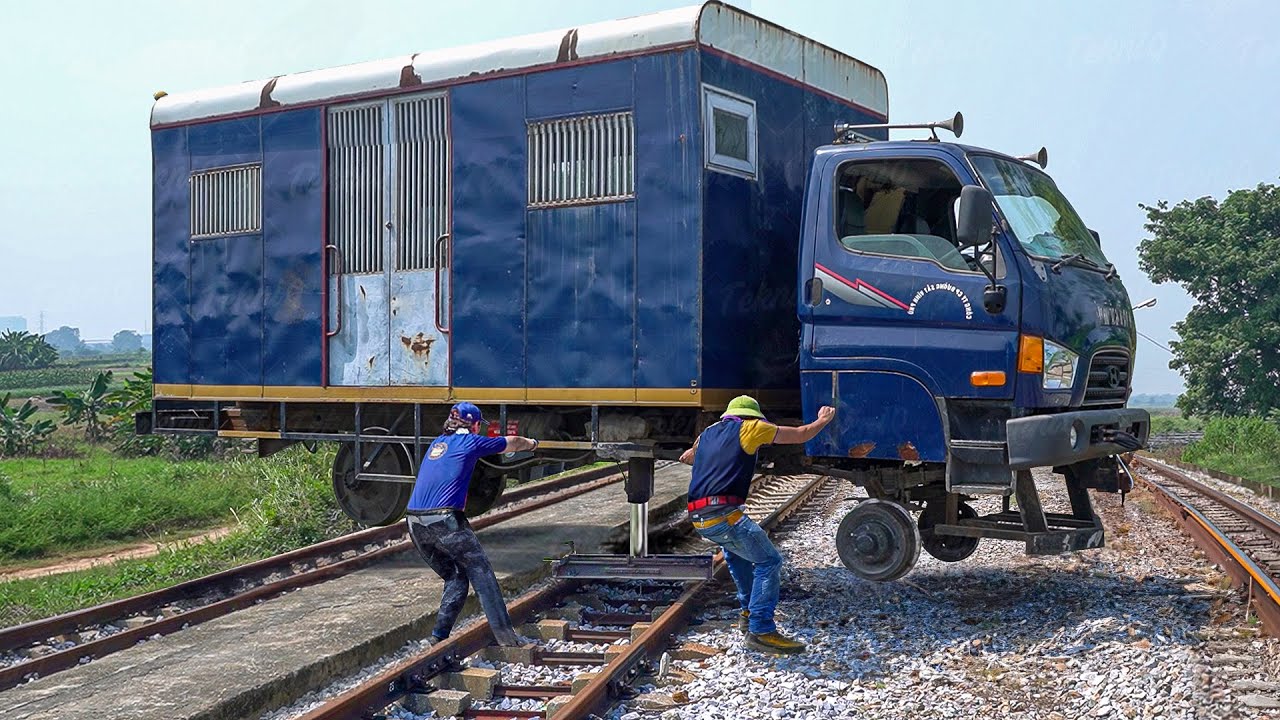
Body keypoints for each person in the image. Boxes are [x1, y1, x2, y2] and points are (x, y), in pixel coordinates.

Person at [679, 395, 836, 654]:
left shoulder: (707, 433)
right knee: (769, 561)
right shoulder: (750, 427)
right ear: (751, 416)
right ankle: (762, 630)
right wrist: (822, 420)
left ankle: (748, 614)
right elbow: (800, 434)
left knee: (737, 555)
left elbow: (689, 456)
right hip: (724, 516)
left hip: (699, 518)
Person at [406, 402, 540, 647]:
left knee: (456, 577)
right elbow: (513, 442)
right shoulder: (471, 441)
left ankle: (438, 638)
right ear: (475, 425)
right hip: (444, 519)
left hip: (414, 522)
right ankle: (508, 639)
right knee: (482, 574)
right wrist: (534, 444)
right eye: (479, 425)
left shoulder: (437, 444)